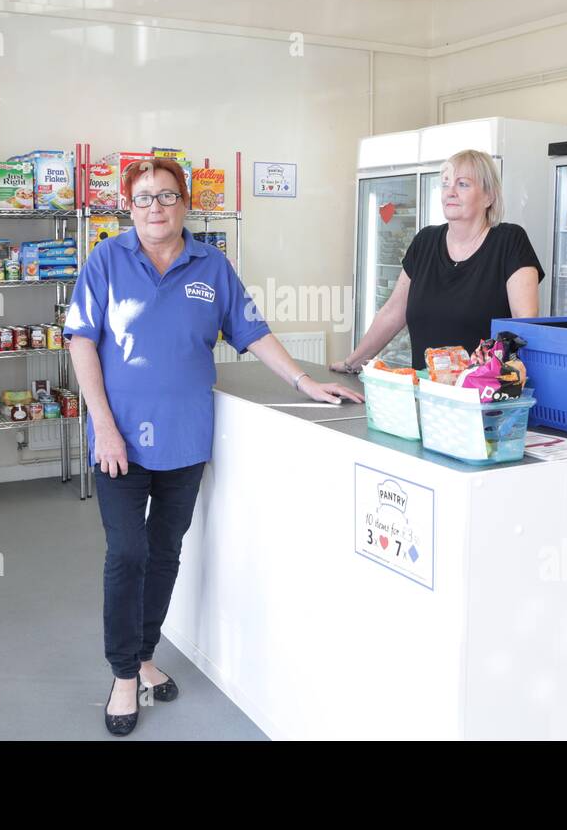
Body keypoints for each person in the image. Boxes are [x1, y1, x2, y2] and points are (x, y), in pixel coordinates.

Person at [65, 157, 362, 737]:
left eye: (168, 196)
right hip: (118, 440)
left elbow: (252, 332)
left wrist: (306, 382)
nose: (157, 206)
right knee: (127, 554)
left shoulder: (212, 265)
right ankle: (125, 674)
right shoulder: (106, 260)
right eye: (146, 197)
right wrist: (101, 425)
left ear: (186, 204)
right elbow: (81, 343)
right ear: (130, 206)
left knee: (165, 551)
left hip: (184, 438)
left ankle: (147, 654)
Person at [333, 148, 543, 372]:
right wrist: (351, 364)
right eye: (445, 184)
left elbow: (523, 327)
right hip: (424, 395)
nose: (450, 192)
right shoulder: (425, 241)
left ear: (488, 196)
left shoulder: (509, 241)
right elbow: (393, 313)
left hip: (482, 396)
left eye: (463, 184)